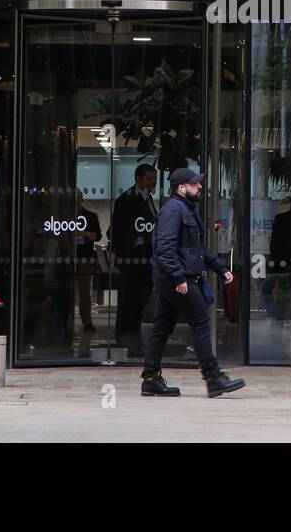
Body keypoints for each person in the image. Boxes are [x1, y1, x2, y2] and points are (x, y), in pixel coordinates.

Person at [141, 168, 245, 398]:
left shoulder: (185, 210)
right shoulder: (173, 211)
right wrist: (178, 277)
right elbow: (164, 249)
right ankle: (213, 377)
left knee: (161, 328)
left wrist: (220, 268)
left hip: (173, 278)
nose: (199, 187)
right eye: (194, 184)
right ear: (181, 188)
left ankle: (150, 379)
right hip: (177, 279)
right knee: (200, 322)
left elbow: (197, 249)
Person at [109, 163, 159, 353]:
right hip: (132, 260)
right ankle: (126, 339)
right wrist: (132, 245)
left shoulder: (148, 199)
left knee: (139, 301)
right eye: (149, 178)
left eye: (154, 178)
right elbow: (119, 229)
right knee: (129, 301)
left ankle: (133, 338)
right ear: (138, 179)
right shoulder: (127, 199)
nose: (153, 182)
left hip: (145, 259)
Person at [73, 192, 102, 333]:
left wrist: (85, 234)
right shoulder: (64, 216)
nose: (77, 201)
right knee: (66, 290)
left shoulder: (90, 216)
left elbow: (98, 236)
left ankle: (87, 322)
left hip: (84, 256)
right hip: (68, 256)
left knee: (85, 292)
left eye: (78, 198)